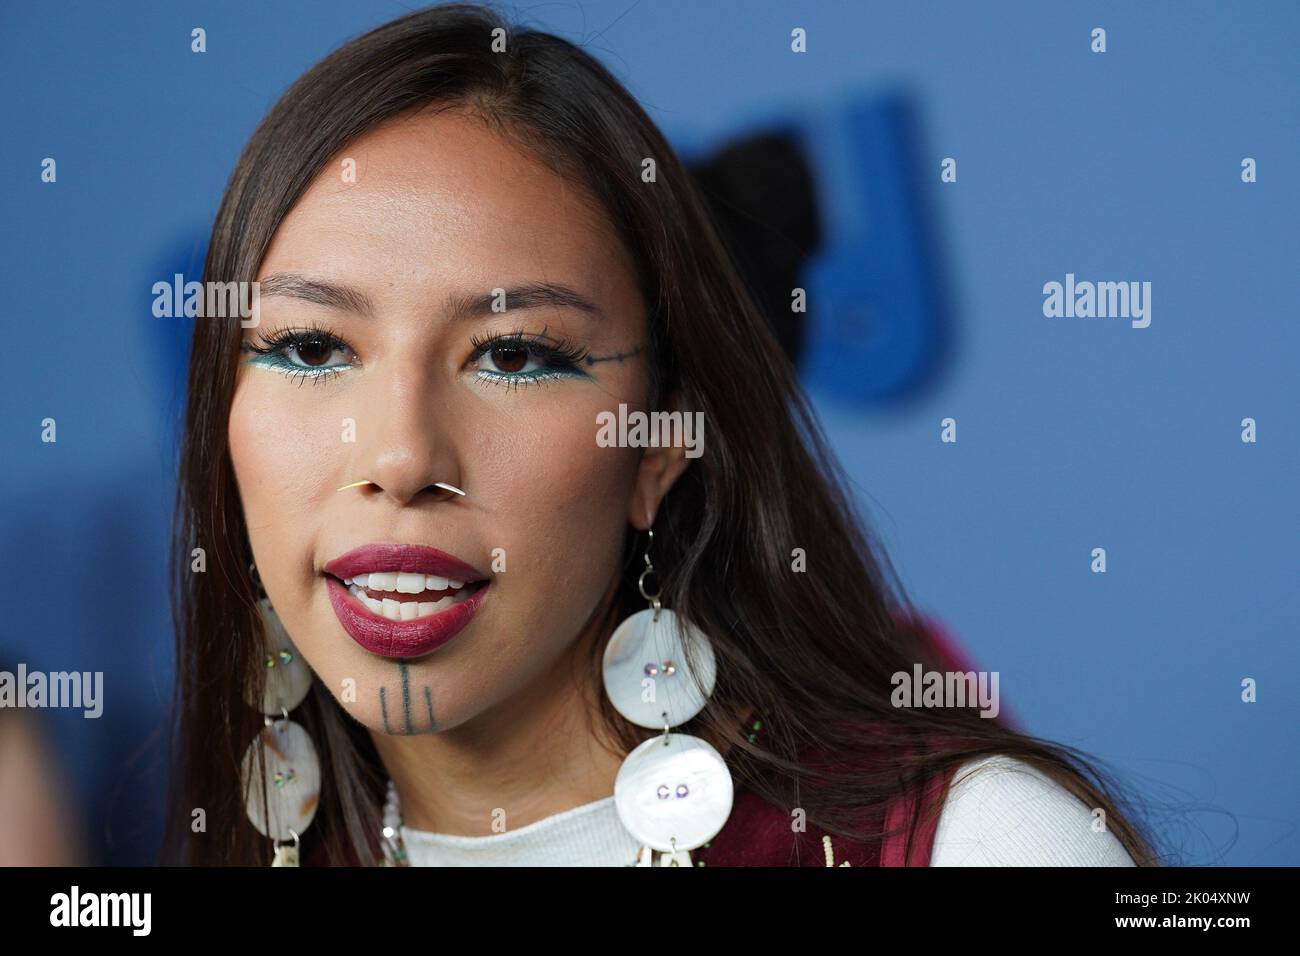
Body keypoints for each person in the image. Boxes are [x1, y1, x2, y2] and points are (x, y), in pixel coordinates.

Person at [162, 2, 1155, 867]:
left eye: (511, 356)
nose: (401, 456)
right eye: (308, 345)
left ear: (660, 442)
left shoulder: (981, 841)